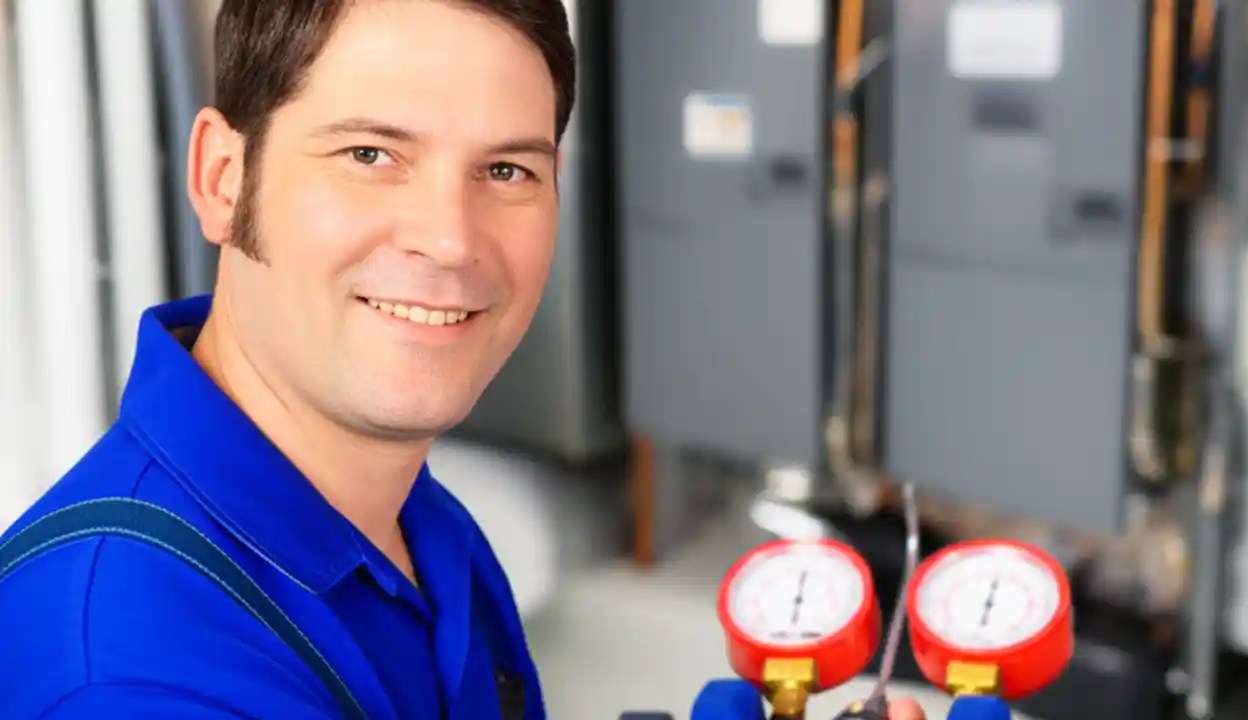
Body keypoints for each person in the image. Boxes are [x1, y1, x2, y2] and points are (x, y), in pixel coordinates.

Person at [0, 1, 926, 718]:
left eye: (507, 171)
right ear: (222, 178)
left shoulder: (410, 522)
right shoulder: (128, 678)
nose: (450, 239)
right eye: (371, 153)